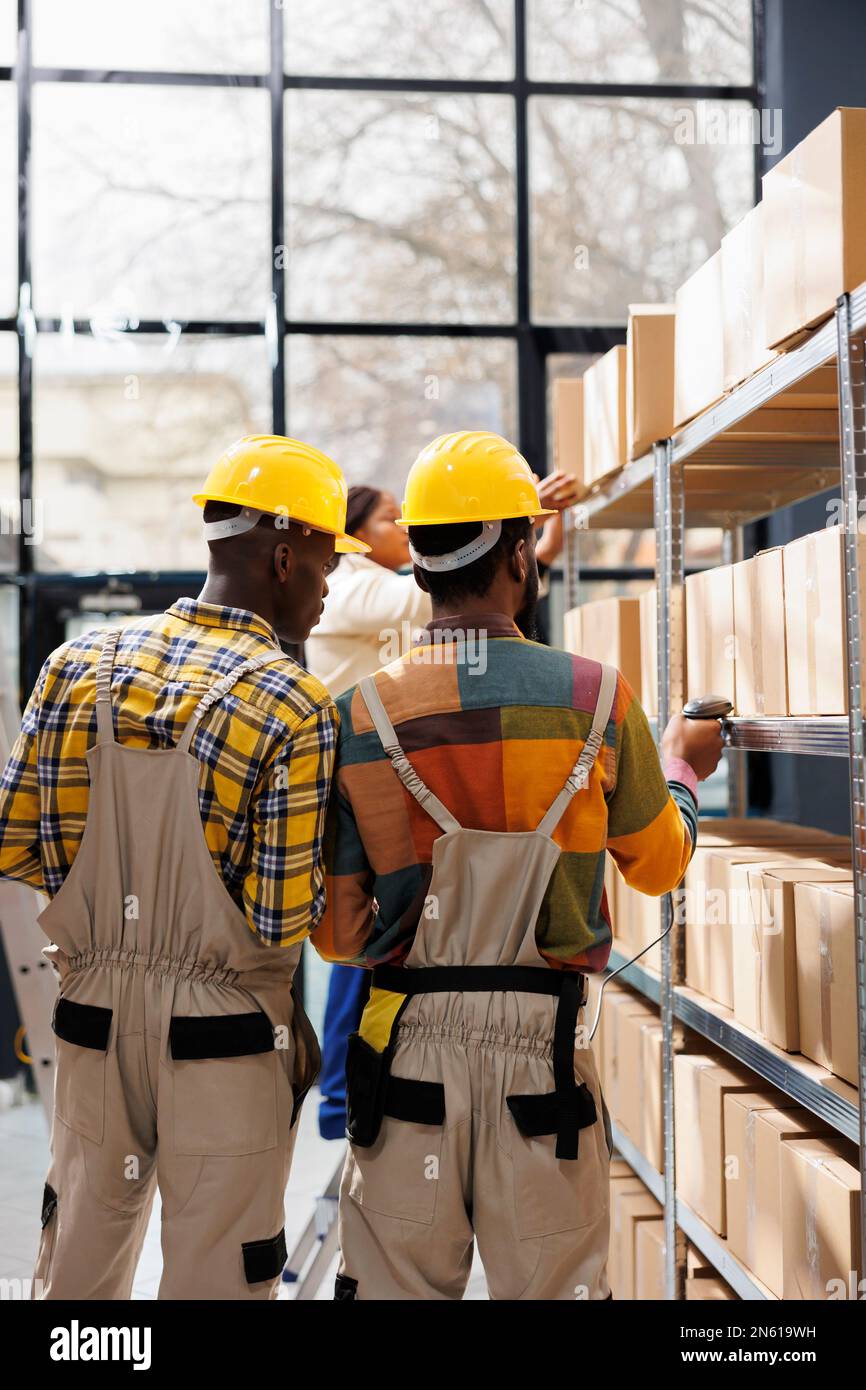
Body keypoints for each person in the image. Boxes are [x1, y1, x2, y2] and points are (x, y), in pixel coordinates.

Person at [312, 430, 723, 1301]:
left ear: (417, 561)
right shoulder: (596, 697)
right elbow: (658, 866)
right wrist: (685, 768)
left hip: (403, 1064)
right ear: (518, 554)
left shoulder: (358, 716)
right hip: (542, 1066)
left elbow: (342, 936)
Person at [0, 434, 368, 1300]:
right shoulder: (294, 700)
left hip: (90, 1018)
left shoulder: (76, 666)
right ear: (283, 558)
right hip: (226, 1038)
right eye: (322, 568)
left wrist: (107, 930)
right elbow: (280, 920)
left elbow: (15, 843)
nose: (325, 592)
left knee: (80, 1265)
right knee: (219, 1272)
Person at [306, 484, 432, 1141]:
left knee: (367, 942)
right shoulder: (354, 585)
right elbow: (435, 596)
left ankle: (346, 1091)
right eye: (391, 518)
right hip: (354, 785)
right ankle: (337, 1098)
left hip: (369, 778)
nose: (405, 526)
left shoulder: (364, 583)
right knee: (358, 943)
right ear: (354, 534)